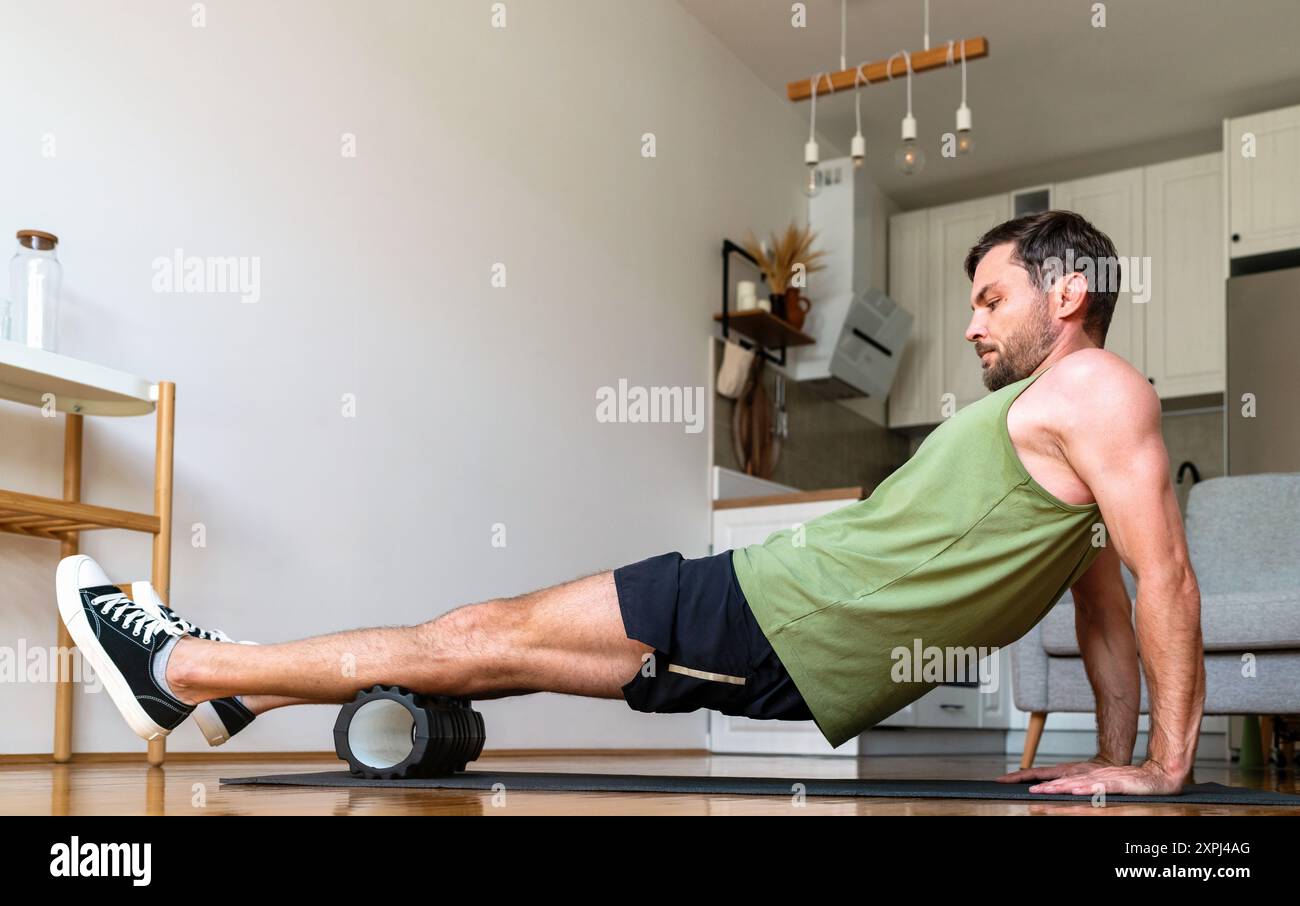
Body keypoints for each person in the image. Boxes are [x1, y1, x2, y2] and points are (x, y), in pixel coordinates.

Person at [56, 210, 1205, 796]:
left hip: (775, 611)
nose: (970, 323)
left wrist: (1157, 772)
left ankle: (187, 670)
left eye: (990, 297)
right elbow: (1101, 599)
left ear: (1065, 292)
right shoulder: (1079, 431)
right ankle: (242, 687)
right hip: (780, 613)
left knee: (473, 637)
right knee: (480, 656)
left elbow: (1162, 582)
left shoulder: (1097, 388)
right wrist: (1109, 772)